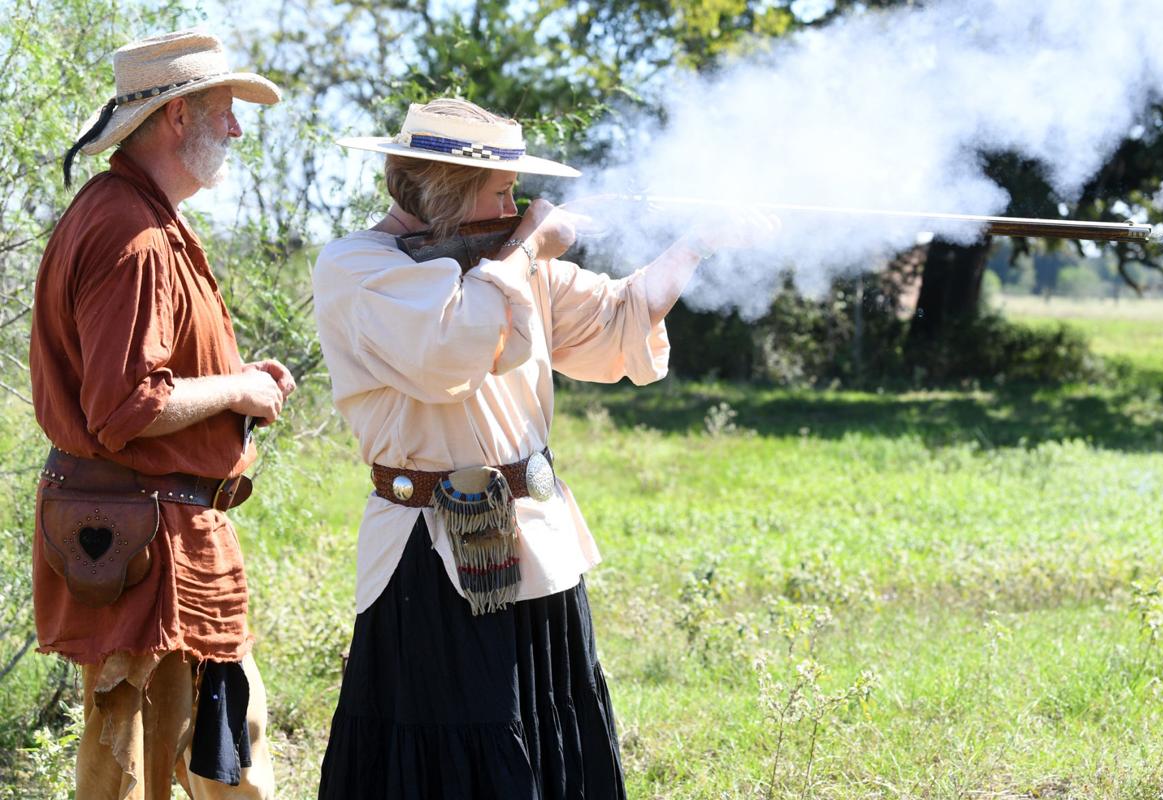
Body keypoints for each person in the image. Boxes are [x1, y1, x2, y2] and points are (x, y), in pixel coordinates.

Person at [312, 97, 774, 798]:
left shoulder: (506, 264)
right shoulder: (358, 267)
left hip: (536, 540)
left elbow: (621, 317)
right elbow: (450, 356)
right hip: (430, 554)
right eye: (502, 191)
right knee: (455, 748)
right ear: (447, 192)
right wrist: (528, 250)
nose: (518, 205)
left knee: (551, 738)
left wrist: (696, 243)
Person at [29, 30, 294, 799]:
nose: (237, 131)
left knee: (175, 758)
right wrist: (239, 393)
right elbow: (123, 407)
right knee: (207, 763)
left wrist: (230, 377)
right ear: (176, 117)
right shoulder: (133, 232)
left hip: (150, 537)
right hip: (156, 551)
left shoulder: (137, 215)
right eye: (224, 112)